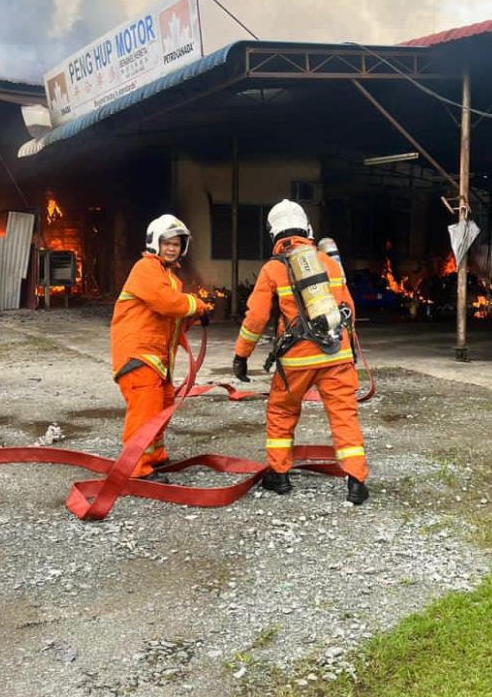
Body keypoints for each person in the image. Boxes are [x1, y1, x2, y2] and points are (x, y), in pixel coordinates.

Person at [231, 200, 369, 505]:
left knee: (281, 411)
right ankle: (356, 481)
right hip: (336, 354)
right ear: (307, 229)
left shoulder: (273, 269)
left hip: (297, 361)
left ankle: (279, 476)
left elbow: (255, 317)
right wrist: (350, 348)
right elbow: (348, 308)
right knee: (344, 415)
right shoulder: (330, 263)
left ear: (274, 234)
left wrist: (241, 355)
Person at [110, 214, 210, 479]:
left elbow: (170, 320)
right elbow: (167, 304)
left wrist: (193, 318)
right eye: (167, 243)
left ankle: (153, 456)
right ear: (155, 242)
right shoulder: (146, 268)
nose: (172, 248)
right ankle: (135, 468)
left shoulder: (168, 278)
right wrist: (196, 305)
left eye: (176, 244)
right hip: (139, 357)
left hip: (156, 360)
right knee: (144, 412)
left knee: (161, 407)